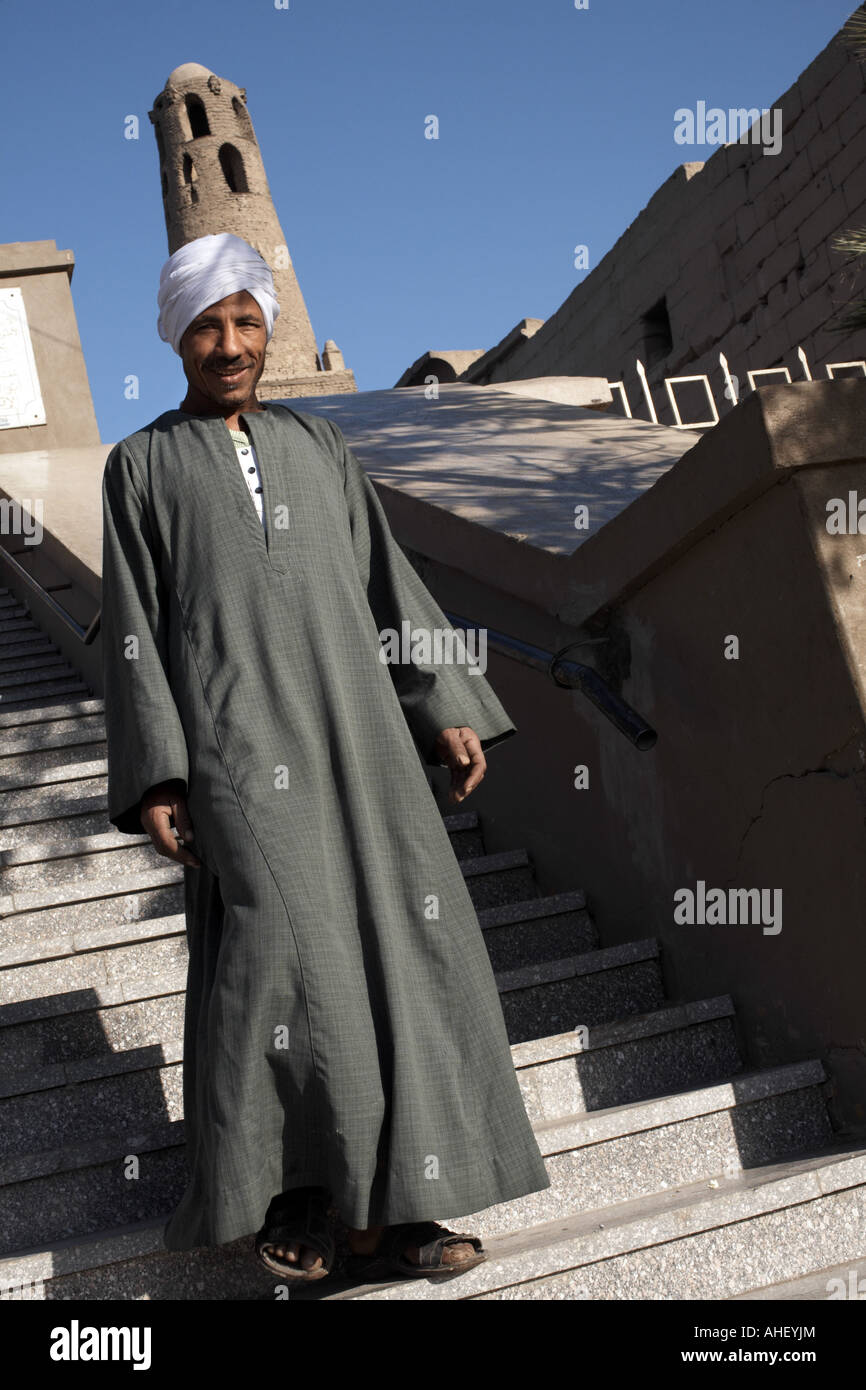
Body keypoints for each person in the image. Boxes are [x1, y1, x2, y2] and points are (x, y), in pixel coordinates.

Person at [100, 232, 550, 1284]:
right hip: (236, 750)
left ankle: (400, 1207)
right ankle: (296, 1193)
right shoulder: (143, 467)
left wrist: (443, 703)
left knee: (398, 955)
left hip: (361, 742)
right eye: (207, 325)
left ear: (268, 328)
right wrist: (161, 771)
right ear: (177, 337)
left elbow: (387, 584)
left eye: (246, 321)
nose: (229, 343)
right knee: (278, 962)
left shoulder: (319, 446)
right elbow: (133, 625)